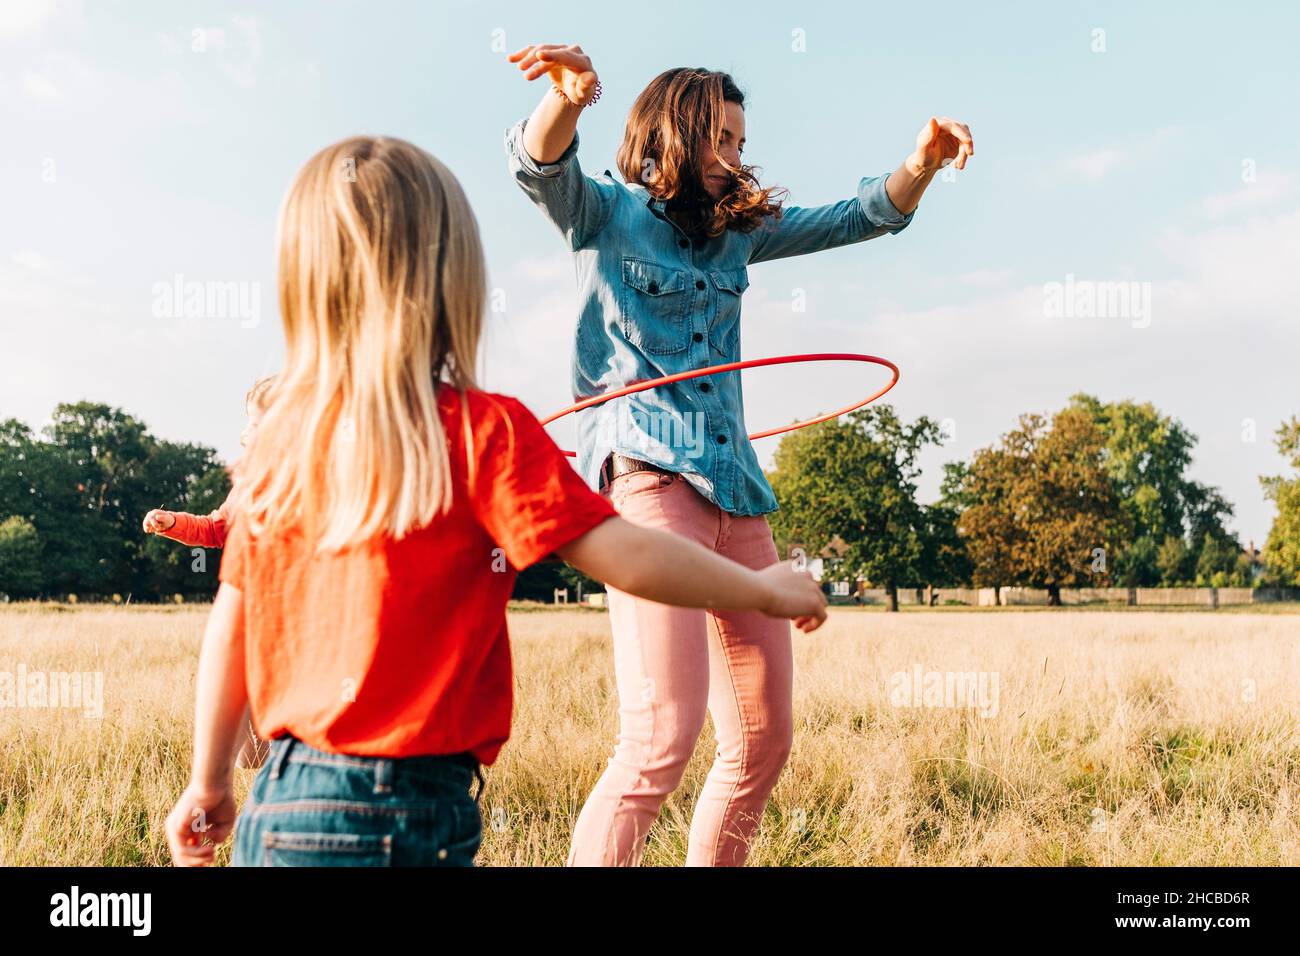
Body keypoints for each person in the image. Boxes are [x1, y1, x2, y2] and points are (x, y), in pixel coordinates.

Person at [163, 134, 826, 868]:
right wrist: (758, 590)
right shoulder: (486, 431)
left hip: (283, 806)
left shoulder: (282, 445)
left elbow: (234, 619)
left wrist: (209, 778)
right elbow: (628, 554)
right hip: (412, 808)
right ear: (456, 281)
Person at [505, 44, 973, 865]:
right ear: (674, 135)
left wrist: (921, 161)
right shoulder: (604, 215)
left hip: (738, 496)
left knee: (761, 742)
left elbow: (857, 216)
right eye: (720, 137)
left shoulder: (737, 238)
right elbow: (541, 165)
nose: (735, 157)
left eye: (741, 141)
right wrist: (570, 99)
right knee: (659, 742)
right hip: (651, 484)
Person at [143, 375, 276, 770]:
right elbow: (216, 529)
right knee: (239, 717)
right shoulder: (246, 486)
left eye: (255, 422)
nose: (245, 431)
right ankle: (243, 778)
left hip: (282, 625)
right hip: (245, 620)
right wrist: (173, 522)